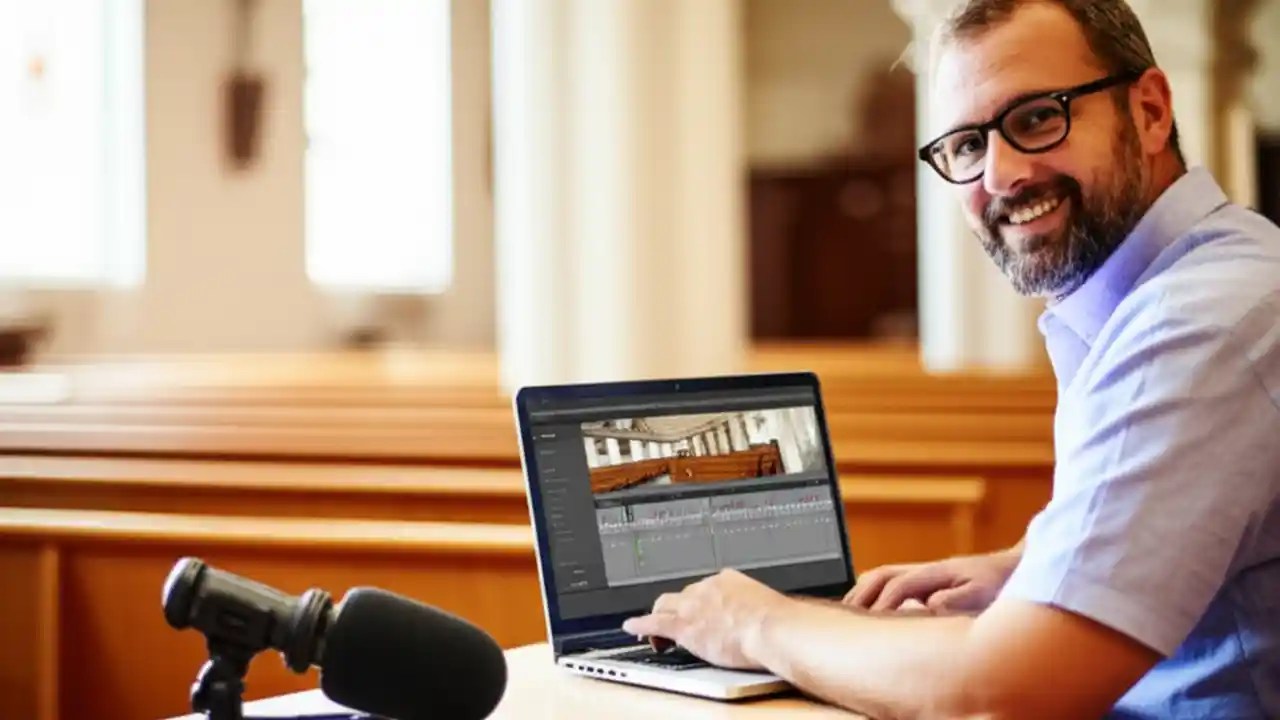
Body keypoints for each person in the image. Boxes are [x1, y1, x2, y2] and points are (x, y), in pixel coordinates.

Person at [622, 1, 1280, 717]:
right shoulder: (1216, 274)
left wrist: (754, 623)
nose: (1001, 175)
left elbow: (1000, 694)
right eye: (967, 145)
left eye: (1037, 119)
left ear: (1149, 110)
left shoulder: (1195, 325)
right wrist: (1029, 570)